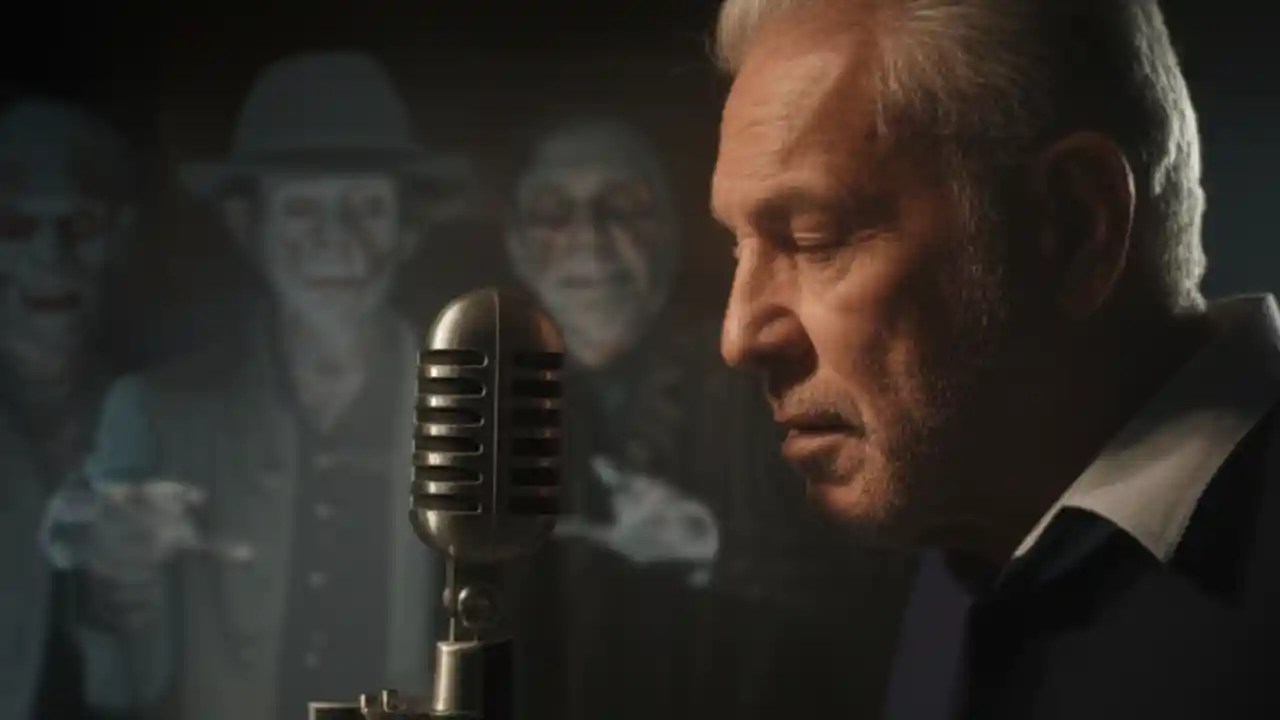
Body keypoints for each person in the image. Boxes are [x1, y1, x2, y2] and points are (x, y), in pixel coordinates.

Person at [709, 1, 1280, 718]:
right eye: (739, 246)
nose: (740, 336)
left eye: (817, 238)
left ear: (1073, 226)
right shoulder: (966, 527)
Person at [45, 51, 475, 720]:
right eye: (303, 210)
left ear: (406, 229)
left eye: (364, 207)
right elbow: (117, 688)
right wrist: (117, 582)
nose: (335, 239)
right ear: (253, 229)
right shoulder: (155, 414)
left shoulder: (477, 413)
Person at [505, 117, 915, 720]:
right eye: (553, 212)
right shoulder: (500, 402)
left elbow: (881, 598)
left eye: (624, 208)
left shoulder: (765, 385)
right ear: (517, 245)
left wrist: (709, 547)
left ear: (671, 234)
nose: (589, 237)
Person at [0, 98, 136, 720]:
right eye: (15, 227)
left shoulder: (161, 428)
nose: (50, 257)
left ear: (120, 238)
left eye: (79, 226)